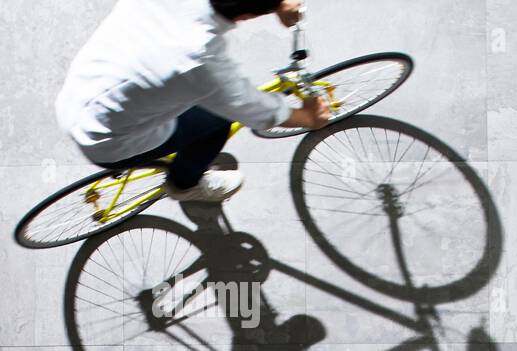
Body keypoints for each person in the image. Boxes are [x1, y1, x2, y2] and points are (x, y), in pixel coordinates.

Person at [55, 0, 330, 203]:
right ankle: (185, 185)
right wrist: (309, 118)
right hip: (107, 142)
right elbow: (253, 109)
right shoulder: (201, 59)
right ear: (246, 16)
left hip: (77, 95)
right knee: (219, 121)